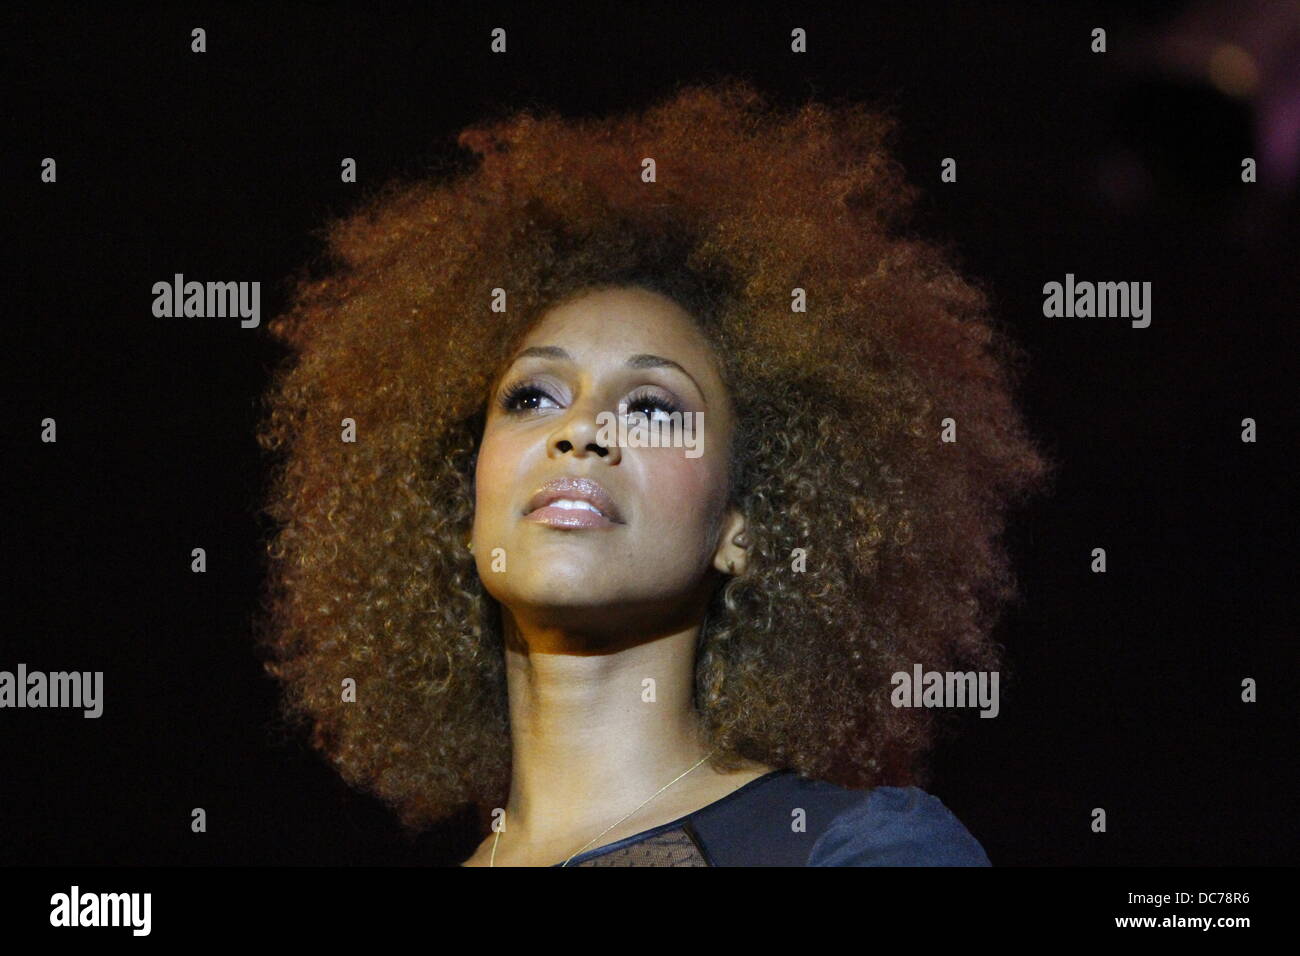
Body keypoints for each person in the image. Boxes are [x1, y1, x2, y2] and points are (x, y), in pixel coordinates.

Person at [253, 78, 1051, 866]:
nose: (581, 431)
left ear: (744, 529)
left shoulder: (858, 848)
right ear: (464, 504)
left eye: (655, 408)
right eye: (533, 395)